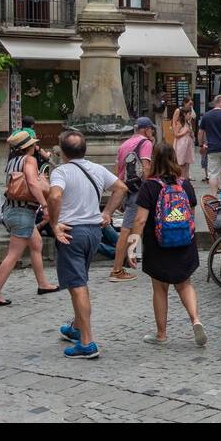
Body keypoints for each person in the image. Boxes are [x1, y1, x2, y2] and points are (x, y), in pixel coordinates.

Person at [47, 129, 128, 360]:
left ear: (62, 151)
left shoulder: (61, 172)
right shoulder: (96, 168)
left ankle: (87, 341)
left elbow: (54, 197)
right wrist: (107, 213)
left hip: (72, 232)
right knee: (79, 279)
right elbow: (121, 188)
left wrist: (54, 224)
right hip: (94, 232)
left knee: (78, 285)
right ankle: (75, 326)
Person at [131, 142, 206, 347]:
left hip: (158, 244)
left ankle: (162, 334)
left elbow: (139, 220)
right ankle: (195, 320)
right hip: (183, 241)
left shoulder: (150, 186)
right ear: (174, 159)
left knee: (160, 288)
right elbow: (190, 213)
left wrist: (133, 248)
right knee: (185, 284)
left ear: (154, 160)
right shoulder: (185, 184)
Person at [0, 131, 58, 305]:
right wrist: (45, 205)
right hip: (23, 212)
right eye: (33, 144)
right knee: (13, 254)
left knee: (36, 244)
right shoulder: (29, 160)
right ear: (29, 147)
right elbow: (32, 184)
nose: (35, 147)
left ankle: (43, 284)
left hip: (11, 209)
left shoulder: (12, 161)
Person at [108, 117, 155, 282]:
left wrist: (120, 194)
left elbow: (117, 171)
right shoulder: (146, 143)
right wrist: (150, 188)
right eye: (151, 129)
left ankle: (134, 257)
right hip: (139, 191)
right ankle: (117, 270)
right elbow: (146, 167)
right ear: (145, 129)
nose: (152, 132)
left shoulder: (124, 144)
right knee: (127, 229)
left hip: (127, 189)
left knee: (138, 226)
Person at [171, 99, 196, 181]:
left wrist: (191, 134)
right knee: (180, 162)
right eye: (189, 114)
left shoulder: (188, 123)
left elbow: (190, 132)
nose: (190, 116)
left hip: (187, 144)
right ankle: (179, 178)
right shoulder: (180, 123)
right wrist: (185, 132)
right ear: (185, 114)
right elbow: (176, 134)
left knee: (186, 162)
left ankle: (185, 178)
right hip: (181, 145)